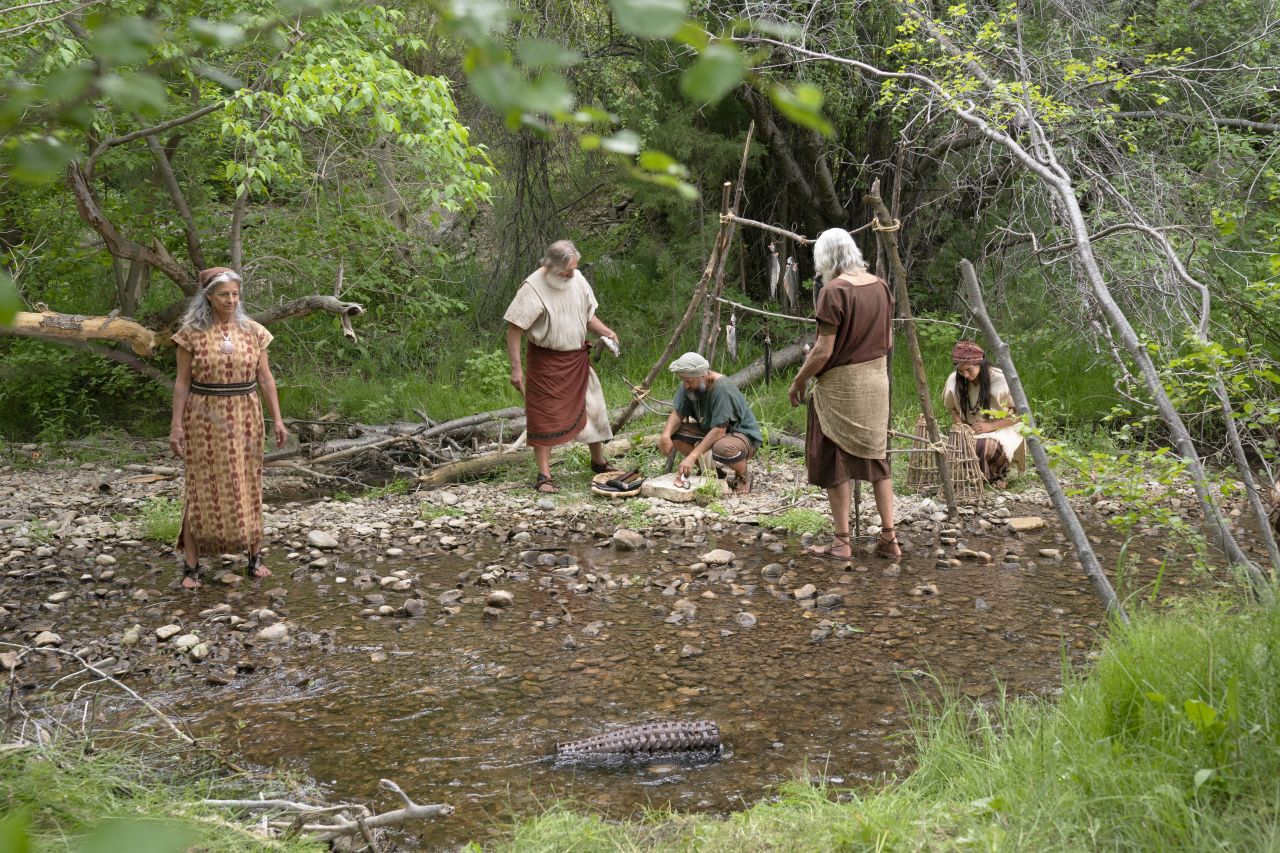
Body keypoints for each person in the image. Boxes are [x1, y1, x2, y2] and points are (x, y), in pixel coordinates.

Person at [169, 266, 288, 589]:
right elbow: (182, 383)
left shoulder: (253, 331)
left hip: (246, 414)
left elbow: (265, 378)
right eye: (224, 295)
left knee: (247, 481)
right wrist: (176, 425)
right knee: (201, 486)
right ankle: (192, 566)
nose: (231, 300)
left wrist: (277, 418)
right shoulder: (190, 333)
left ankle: (254, 556)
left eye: (235, 294)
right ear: (208, 297)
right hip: (203, 415)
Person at [788, 228, 899, 560]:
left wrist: (799, 380)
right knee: (876, 459)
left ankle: (841, 542)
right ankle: (889, 538)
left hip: (840, 389)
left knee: (837, 462)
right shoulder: (880, 286)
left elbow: (822, 351)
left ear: (826, 257)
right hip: (877, 384)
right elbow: (889, 341)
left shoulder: (833, 292)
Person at [505, 240, 618, 493]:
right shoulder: (533, 287)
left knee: (593, 406)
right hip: (546, 363)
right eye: (567, 270)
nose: (572, 273)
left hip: (576, 359)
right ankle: (544, 476)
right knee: (544, 415)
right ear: (551, 265)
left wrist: (606, 331)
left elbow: (588, 315)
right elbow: (514, 330)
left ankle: (598, 461)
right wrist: (516, 369)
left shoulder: (577, 279)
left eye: (574, 268)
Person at [658, 352, 763, 494]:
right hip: (711, 430)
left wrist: (691, 457)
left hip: (740, 434)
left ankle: (744, 474)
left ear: (703, 375)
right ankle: (713, 473)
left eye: (688, 381)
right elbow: (678, 413)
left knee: (722, 447)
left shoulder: (721, 387)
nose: (686, 385)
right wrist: (665, 435)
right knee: (674, 434)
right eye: (683, 380)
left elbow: (719, 431)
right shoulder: (689, 385)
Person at [942, 341, 1026, 486]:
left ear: (980, 363)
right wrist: (960, 425)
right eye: (961, 371)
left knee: (982, 445)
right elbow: (953, 409)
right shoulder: (954, 379)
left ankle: (996, 475)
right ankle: (973, 475)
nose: (965, 375)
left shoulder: (1001, 378)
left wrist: (992, 425)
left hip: (1003, 428)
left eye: (969, 370)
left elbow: (1021, 415)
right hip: (970, 428)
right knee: (953, 446)